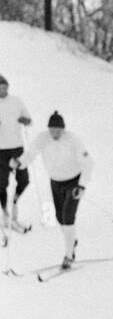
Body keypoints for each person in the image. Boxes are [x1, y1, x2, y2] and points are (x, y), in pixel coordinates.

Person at [12, 111, 95, 269]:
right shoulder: (43, 138)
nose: (55, 133)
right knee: (60, 218)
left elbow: (88, 163)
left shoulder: (73, 139)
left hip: (74, 183)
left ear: (63, 129)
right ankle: (71, 241)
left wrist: (82, 185)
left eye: (58, 130)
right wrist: (19, 162)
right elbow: (30, 154)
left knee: (68, 216)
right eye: (52, 130)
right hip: (55, 182)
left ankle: (69, 256)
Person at [0, 74, 33, 232]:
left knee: (24, 179)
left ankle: (14, 202)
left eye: (5, 87)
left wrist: (25, 120)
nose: (3, 90)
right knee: (2, 183)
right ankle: (6, 214)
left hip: (17, 148)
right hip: (1, 150)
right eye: (0, 87)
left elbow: (29, 119)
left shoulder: (16, 101)